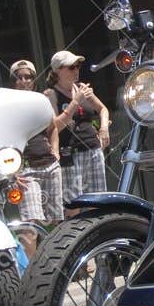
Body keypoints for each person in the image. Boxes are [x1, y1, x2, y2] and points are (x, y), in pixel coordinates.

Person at [9, 59, 61, 257]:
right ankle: (32, 271)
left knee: (56, 221)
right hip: (26, 170)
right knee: (30, 223)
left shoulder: (40, 101)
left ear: (34, 80)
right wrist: (13, 174)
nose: (24, 81)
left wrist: (55, 151)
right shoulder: (8, 105)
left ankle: (58, 268)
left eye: (28, 77)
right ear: (13, 81)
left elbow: (53, 127)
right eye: (19, 77)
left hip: (49, 164)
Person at [46, 50, 109, 206]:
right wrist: (75, 102)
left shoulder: (82, 88)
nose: (76, 70)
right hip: (70, 153)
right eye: (71, 67)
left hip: (93, 149)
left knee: (99, 199)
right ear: (58, 70)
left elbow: (103, 109)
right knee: (73, 203)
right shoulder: (50, 94)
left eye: (78, 66)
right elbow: (54, 127)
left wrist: (104, 128)